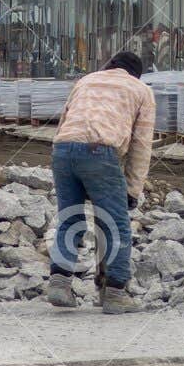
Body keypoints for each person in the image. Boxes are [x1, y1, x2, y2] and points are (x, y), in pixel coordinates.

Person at [47, 50, 155, 315]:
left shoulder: (85, 81)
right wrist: (132, 189)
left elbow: (63, 122)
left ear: (110, 65)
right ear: (136, 74)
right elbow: (141, 146)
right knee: (116, 224)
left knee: (70, 218)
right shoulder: (141, 90)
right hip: (100, 151)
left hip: (62, 149)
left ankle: (59, 283)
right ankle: (115, 294)